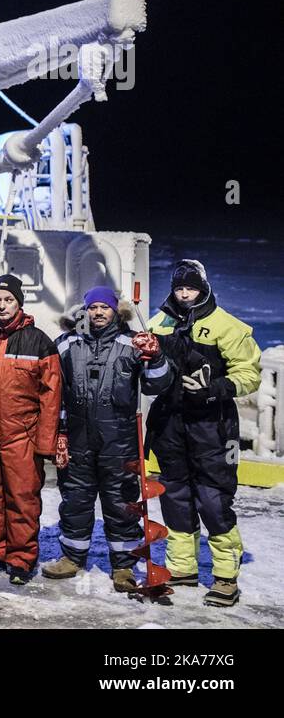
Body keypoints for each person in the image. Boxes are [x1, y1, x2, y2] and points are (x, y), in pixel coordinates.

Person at [42, 287, 173, 592]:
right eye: (93, 307)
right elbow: (47, 388)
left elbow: (158, 385)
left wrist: (156, 356)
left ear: (116, 311)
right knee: (75, 499)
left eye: (104, 307)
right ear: (85, 311)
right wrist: (56, 433)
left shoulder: (133, 344)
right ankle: (72, 557)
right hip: (77, 438)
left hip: (120, 440)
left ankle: (124, 566)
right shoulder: (66, 344)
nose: (98, 312)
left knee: (121, 503)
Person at [147, 259, 262, 607]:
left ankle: (226, 577)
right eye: (180, 287)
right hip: (170, 425)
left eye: (191, 287)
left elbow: (250, 374)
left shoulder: (228, 327)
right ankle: (182, 568)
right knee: (175, 496)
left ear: (203, 287)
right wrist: (144, 354)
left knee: (213, 499)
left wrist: (213, 388)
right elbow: (147, 364)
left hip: (214, 427)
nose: (184, 294)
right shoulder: (159, 322)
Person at [0, 274, 62, 586]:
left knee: (22, 499)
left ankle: (21, 558)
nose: (2, 305)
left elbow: (51, 395)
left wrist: (45, 442)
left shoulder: (39, 342)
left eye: (8, 300)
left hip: (23, 435)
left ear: (19, 303)